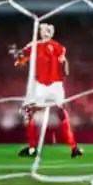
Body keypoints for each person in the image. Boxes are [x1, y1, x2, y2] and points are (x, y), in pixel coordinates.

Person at [11, 23, 81, 158]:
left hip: (55, 85)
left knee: (61, 113)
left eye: (48, 29)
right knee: (30, 112)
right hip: (41, 86)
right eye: (44, 29)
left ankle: (73, 147)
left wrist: (64, 66)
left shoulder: (58, 47)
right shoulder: (33, 46)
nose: (46, 31)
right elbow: (21, 60)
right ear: (40, 31)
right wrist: (18, 55)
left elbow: (65, 66)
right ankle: (33, 149)